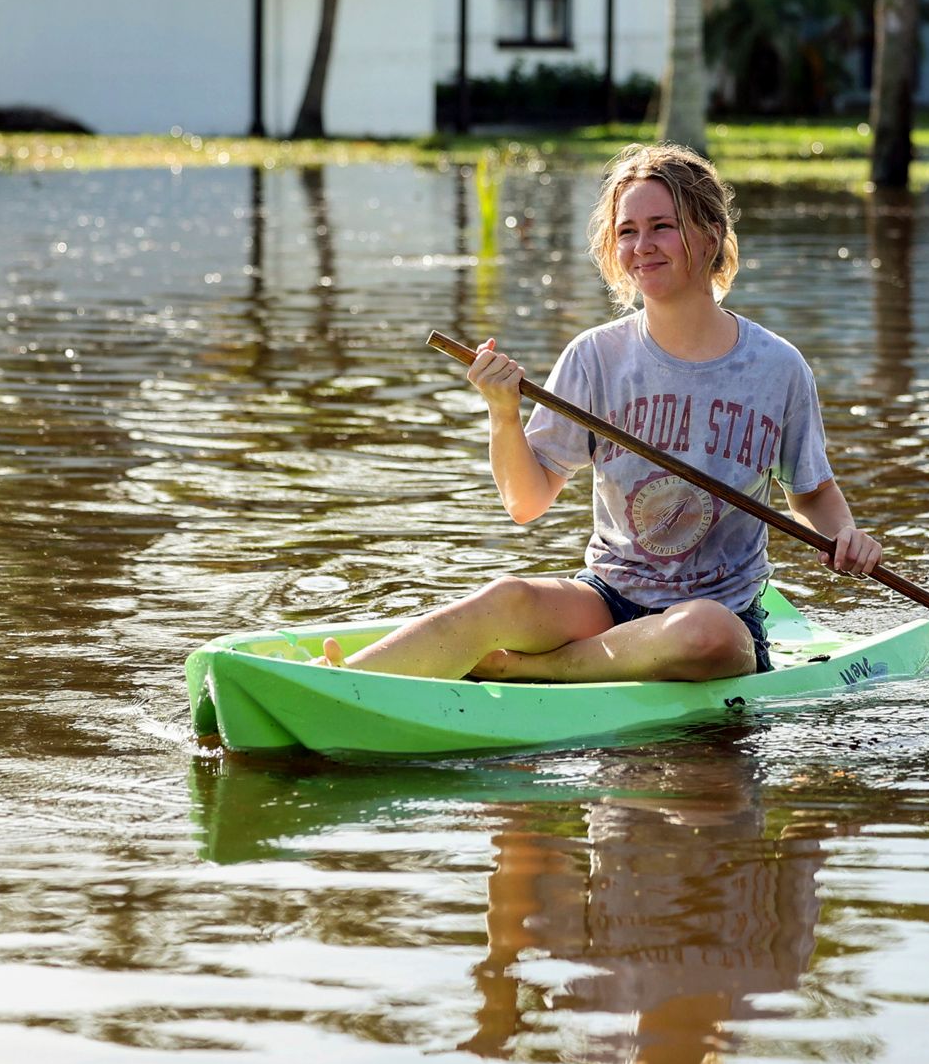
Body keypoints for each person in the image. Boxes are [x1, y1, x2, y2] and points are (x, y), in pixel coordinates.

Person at [321, 142, 880, 682]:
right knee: (506, 597)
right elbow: (525, 501)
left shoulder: (777, 366)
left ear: (710, 236)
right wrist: (503, 413)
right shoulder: (594, 356)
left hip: (718, 623)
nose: (642, 246)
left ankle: (538, 669)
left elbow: (810, 495)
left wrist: (846, 537)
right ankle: (337, 684)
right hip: (606, 600)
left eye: (662, 226)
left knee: (706, 632)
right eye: (627, 231)